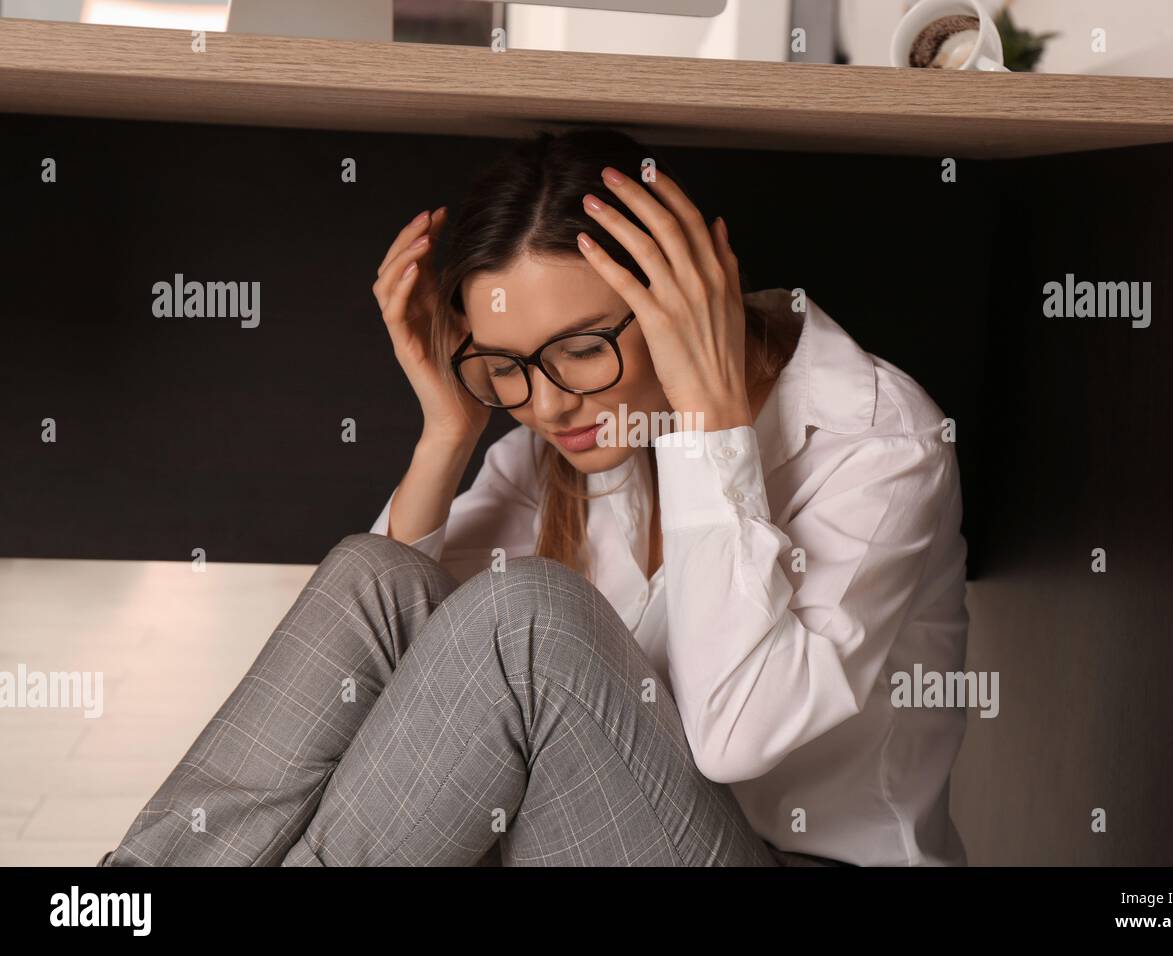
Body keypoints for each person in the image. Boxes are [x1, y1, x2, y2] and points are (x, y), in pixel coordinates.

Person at [99, 128, 969, 867]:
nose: (548, 403)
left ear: (678, 298)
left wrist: (710, 426)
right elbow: (395, 655)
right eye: (505, 367)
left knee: (528, 620)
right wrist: (448, 433)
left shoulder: (874, 441)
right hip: (589, 830)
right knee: (376, 573)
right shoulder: (562, 441)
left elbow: (735, 733)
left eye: (581, 349)